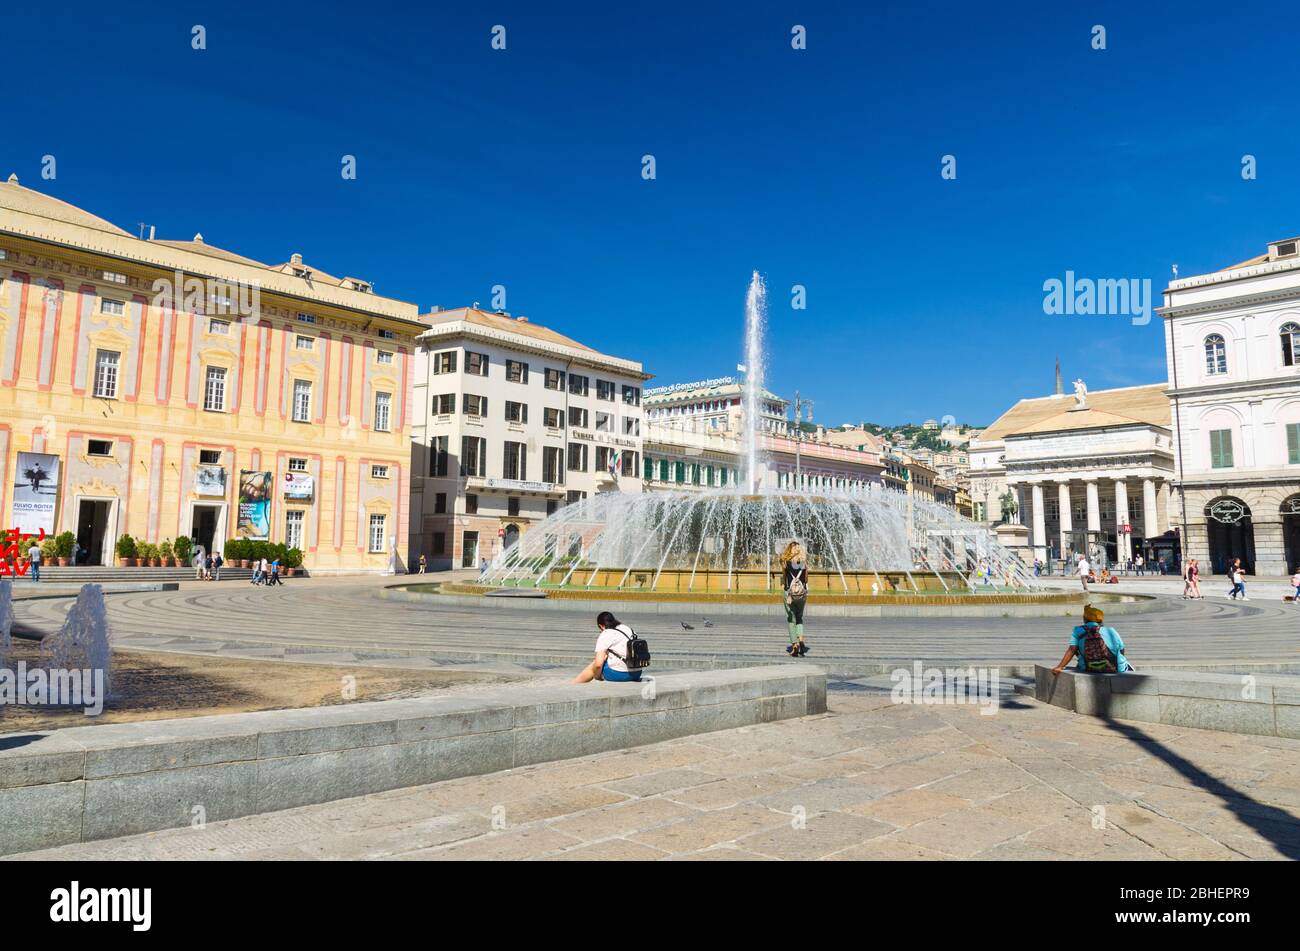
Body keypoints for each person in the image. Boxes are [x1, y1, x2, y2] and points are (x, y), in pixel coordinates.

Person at [1051, 604, 1131, 676]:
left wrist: (1059, 667)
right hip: (1114, 668)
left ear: (1085, 619)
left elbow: (1072, 650)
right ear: (1101, 620)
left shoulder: (1077, 631)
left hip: (1087, 667)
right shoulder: (1111, 631)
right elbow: (1121, 650)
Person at [573, 611, 643, 684]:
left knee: (594, 665)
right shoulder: (628, 629)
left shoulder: (606, 633)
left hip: (619, 675)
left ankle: (575, 684)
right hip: (637, 673)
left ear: (601, 626)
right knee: (606, 656)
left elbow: (598, 665)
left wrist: (597, 676)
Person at [781, 541, 809, 657]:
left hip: (789, 594)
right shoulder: (803, 563)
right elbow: (806, 580)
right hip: (802, 594)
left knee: (791, 620)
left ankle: (795, 645)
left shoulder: (786, 563)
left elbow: (784, 578)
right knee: (799, 618)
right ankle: (801, 639)